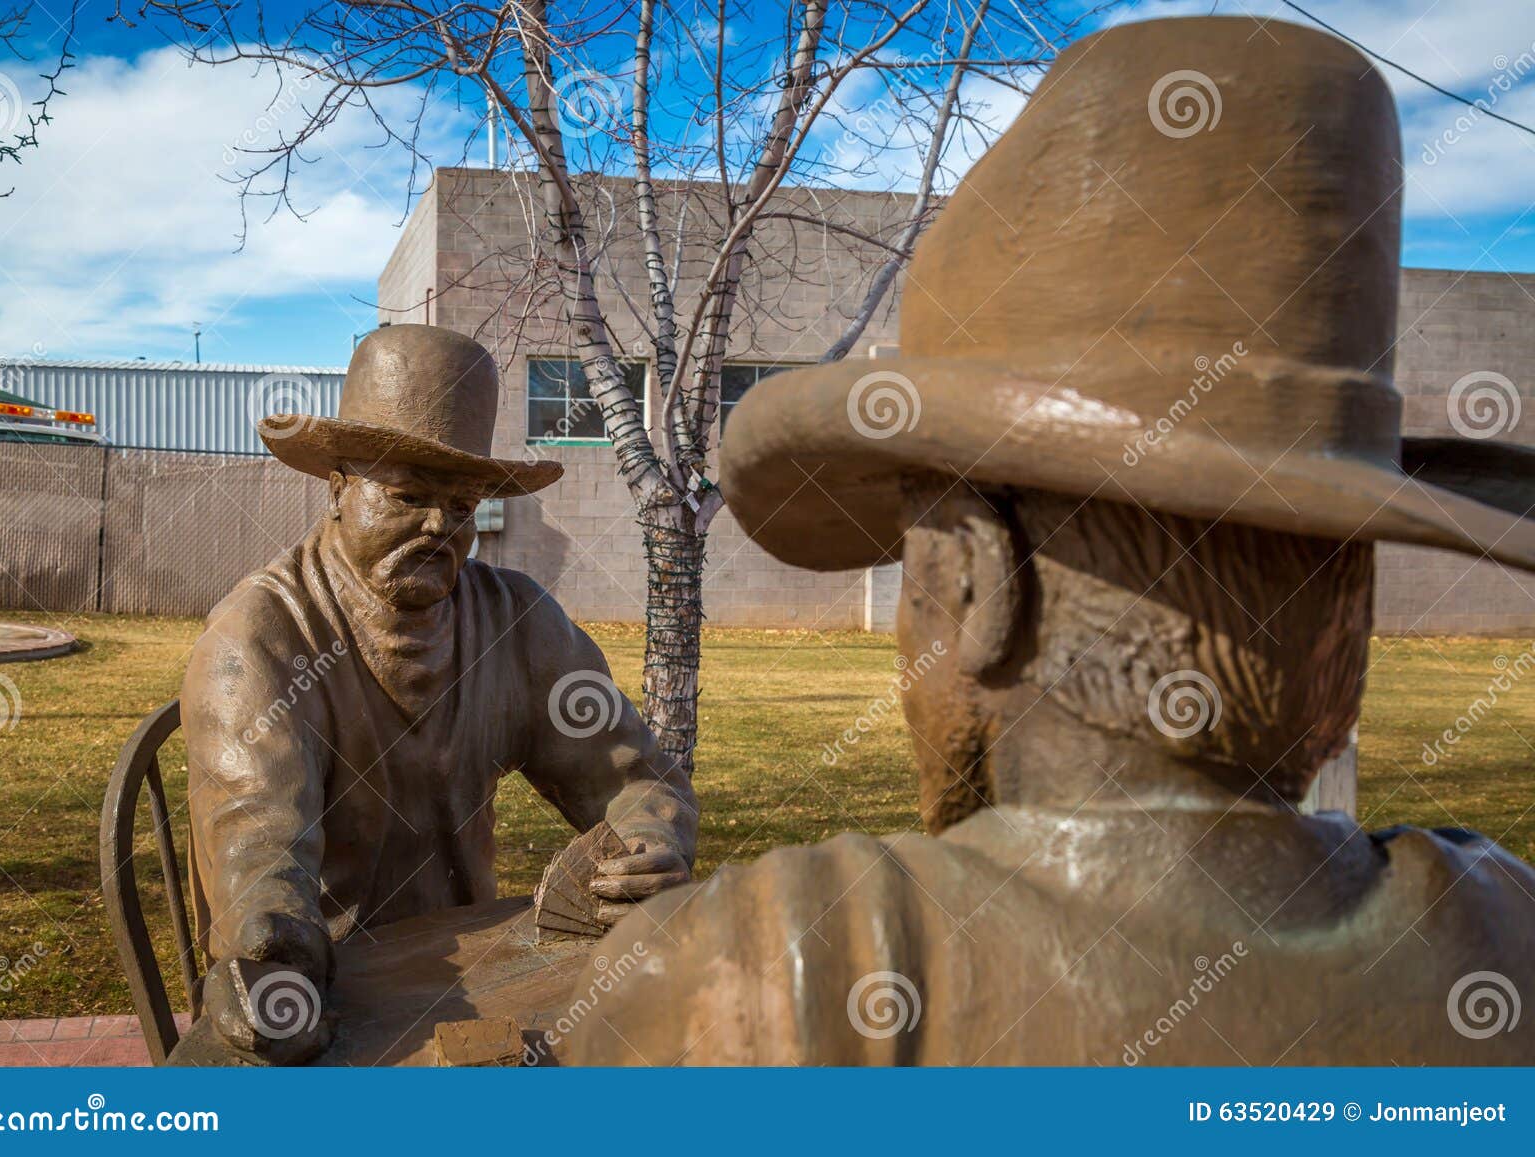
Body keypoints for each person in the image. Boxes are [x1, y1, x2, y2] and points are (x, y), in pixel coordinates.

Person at [567, 16, 1535, 1065]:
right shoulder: (1503, 935)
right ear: (1347, 605)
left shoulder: (763, 972)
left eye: (916, 564)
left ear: (979, 580)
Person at [182, 324, 697, 1063]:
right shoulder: (257, 640)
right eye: (409, 494)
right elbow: (257, 859)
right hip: (330, 999)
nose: (438, 526)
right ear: (338, 490)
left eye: (462, 506)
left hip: (494, 977)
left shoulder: (516, 622)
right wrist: (276, 954)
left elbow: (636, 779)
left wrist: (650, 841)